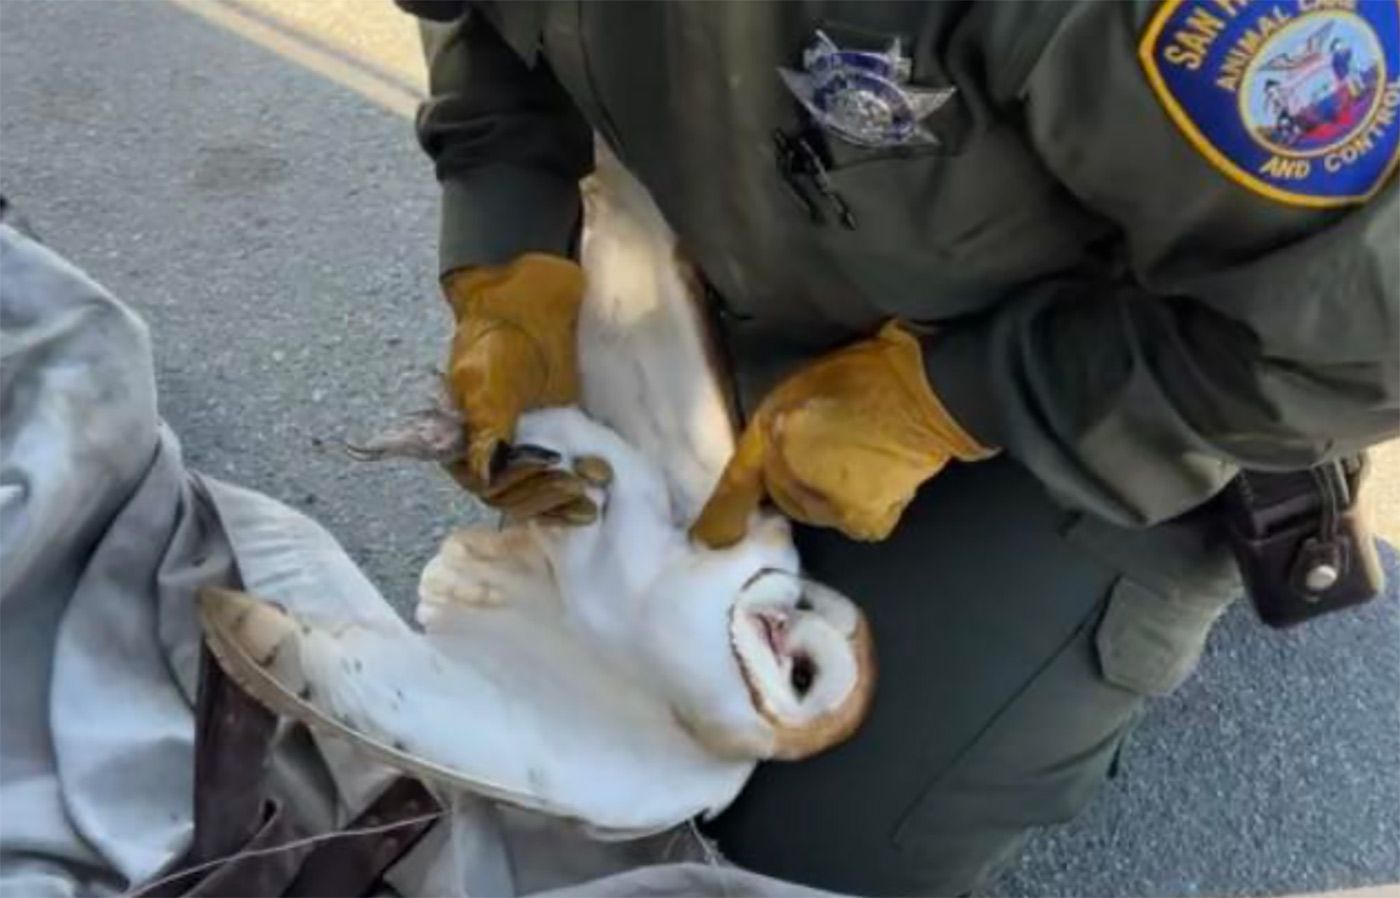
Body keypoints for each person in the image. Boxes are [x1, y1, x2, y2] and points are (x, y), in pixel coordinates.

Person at [396, 2, 1399, 894]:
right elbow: (482, 35)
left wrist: (950, 401)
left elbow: (1363, 327)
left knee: (796, 852)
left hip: (1108, 374)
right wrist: (507, 250)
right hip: (751, 279)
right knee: (579, 736)